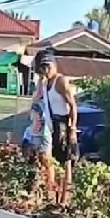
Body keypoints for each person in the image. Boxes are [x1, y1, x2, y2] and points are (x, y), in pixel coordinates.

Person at [34, 50, 78, 206]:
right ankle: (57, 196)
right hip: (53, 124)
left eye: (43, 69)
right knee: (55, 161)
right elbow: (37, 98)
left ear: (49, 66)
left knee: (65, 162)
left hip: (64, 124)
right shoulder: (46, 83)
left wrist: (72, 128)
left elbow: (72, 106)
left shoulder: (60, 82)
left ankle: (65, 199)